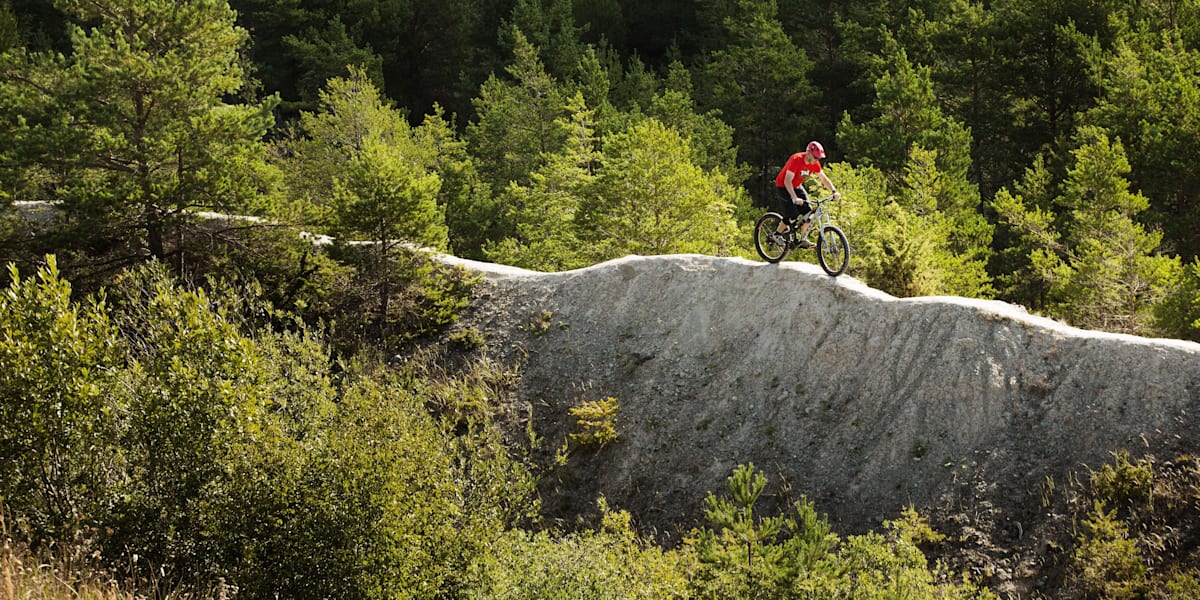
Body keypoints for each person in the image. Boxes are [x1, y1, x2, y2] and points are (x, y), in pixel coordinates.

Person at [774, 141, 840, 248]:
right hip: (783, 186)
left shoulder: (815, 164)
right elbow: (787, 181)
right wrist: (794, 197)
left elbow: (823, 178)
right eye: (815, 157)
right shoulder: (796, 160)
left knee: (809, 212)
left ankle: (802, 239)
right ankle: (777, 235)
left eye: (818, 158)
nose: (816, 160)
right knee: (792, 214)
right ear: (808, 153)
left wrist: (834, 191)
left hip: (796, 186)